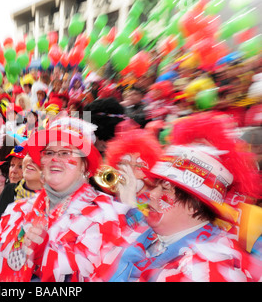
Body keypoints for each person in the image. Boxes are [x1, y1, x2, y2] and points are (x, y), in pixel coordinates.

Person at [0, 117, 142, 282]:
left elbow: (110, 272)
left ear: (85, 166)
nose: (55, 159)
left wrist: (43, 254)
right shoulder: (17, 210)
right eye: (49, 153)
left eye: (65, 153)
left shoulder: (107, 215)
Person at [107, 113, 261, 282]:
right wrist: (126, 204)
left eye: (165, 188)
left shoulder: (208, 267)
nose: (152, 193)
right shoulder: (150, 230)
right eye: (156, 185)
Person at [0, 145, 43, 227]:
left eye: (20, 166)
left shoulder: (46, 200)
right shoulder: (8, 190)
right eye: (12, 165)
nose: (13, 171)